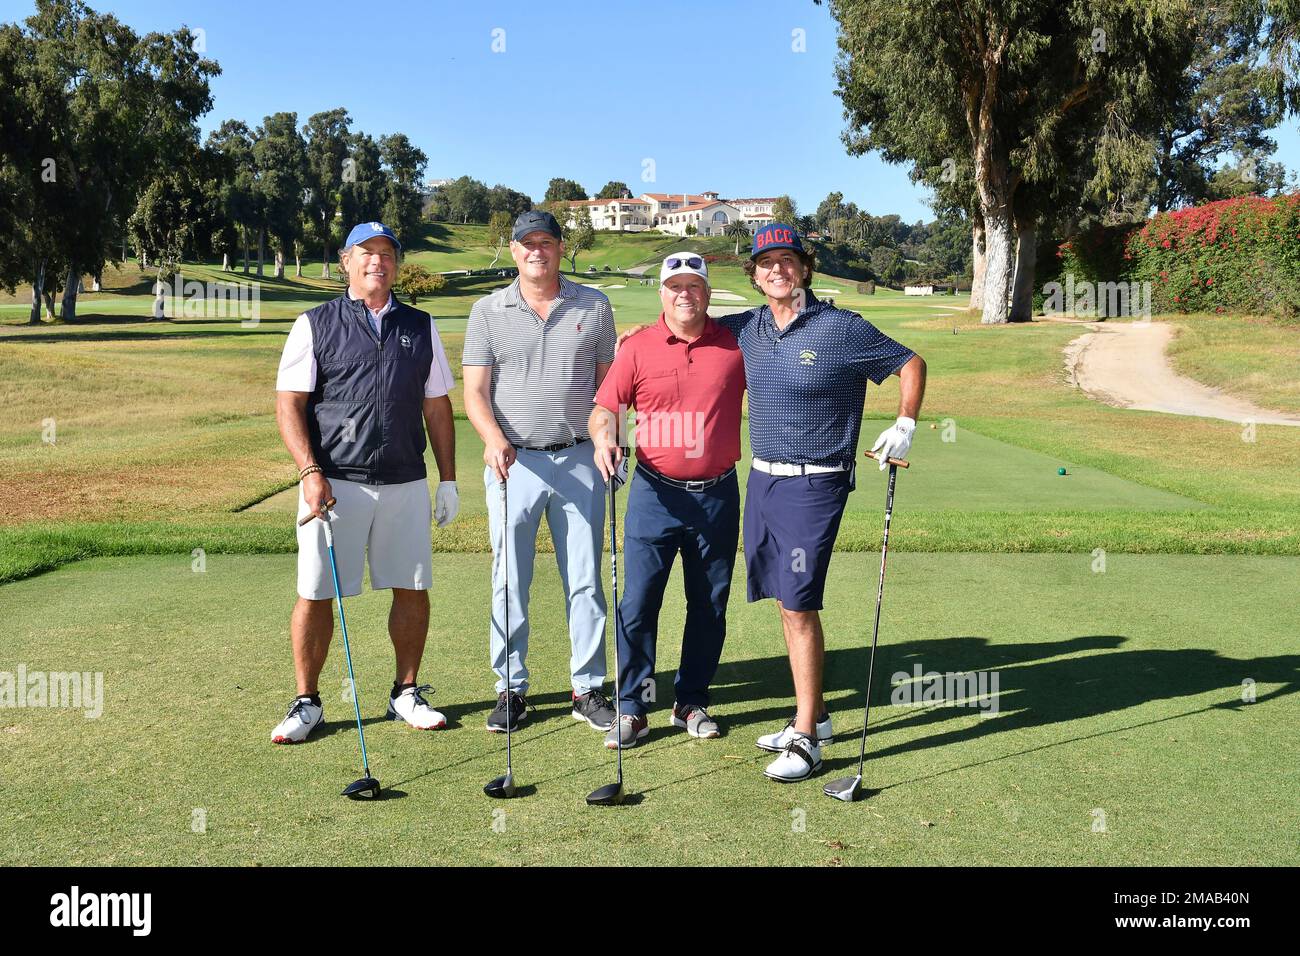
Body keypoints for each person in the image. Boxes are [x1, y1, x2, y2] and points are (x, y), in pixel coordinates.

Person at [618, 223, 926, 783]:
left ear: (804, 268)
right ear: (755, 276)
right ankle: (818, 716)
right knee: (782, 600)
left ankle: (806, 737)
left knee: (797, 604)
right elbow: (691, 328)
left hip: (817, 482)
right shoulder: (748, 327)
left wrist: (905, 422)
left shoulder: (840, 327)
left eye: (787, 261)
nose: (776, 270)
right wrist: (643, 332)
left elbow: (910, 362)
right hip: (761, 481)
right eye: (766, 264)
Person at [271, 221, 459, 744]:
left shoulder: (420, 326)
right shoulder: (314, 323)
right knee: (315, 591)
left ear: (396, 263)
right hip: (333, 483)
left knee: (411, 585)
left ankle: (406, 692)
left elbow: (437, 404)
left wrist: (448, 479)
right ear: (345, 261)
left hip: (403, 480)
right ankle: (307, 702)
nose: (378, 261)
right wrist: (309, 472)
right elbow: (290, 402)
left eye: (386, 253)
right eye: (366, 253)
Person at [462, 210, 618, 734]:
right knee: (510, 580)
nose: (537, 252)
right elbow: (475, 392)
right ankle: (511, 689)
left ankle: (588, 687)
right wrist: (494, 440)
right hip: (514, 461)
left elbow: (607, 392)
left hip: (579, 457)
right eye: (527, 243)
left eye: (546, 242)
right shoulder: (487, 310)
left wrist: (606, 438)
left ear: (559, 248)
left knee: (584, 579)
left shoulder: (593, 306)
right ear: (513, 251)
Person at [589, 253, 745, 749]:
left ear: (707, 292)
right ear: (662, 293)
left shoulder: (737, 343)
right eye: (675, 286)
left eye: (694, 286)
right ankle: (633, 707)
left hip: (718, 495)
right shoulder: (637, 348)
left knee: (709, 604)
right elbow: (604, 409)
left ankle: (691, 701)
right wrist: (605, 439)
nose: (685, 294)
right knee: (638, 601)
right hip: (654, 494)